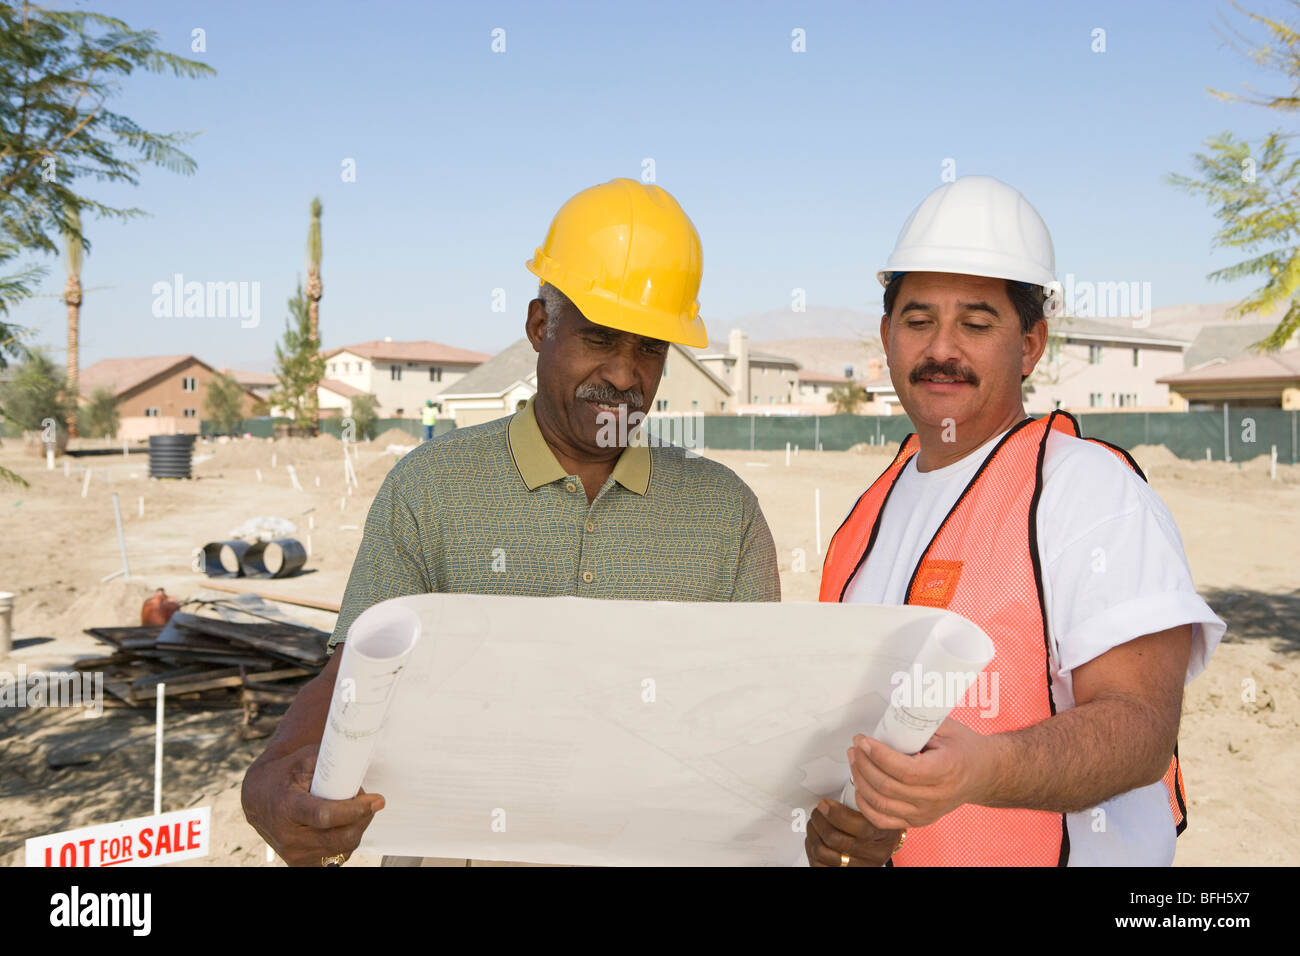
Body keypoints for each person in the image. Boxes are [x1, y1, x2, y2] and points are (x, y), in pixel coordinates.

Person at [242, 178, 780, 867]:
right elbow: (358, 673)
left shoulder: (724, 514)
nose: (623, 375)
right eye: (598, 337)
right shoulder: (431, 489)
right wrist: (271, 774)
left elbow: (757, 717)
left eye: (648, 348)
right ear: (538, 326)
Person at [804, 176, 1224, 867]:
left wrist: (984, 770)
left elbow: (1141, 727)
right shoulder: (865, 520)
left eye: (975, 323)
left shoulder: (1087, 491)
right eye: (917, 320)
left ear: (1030, 345)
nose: (942, 349)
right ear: (886, 336)